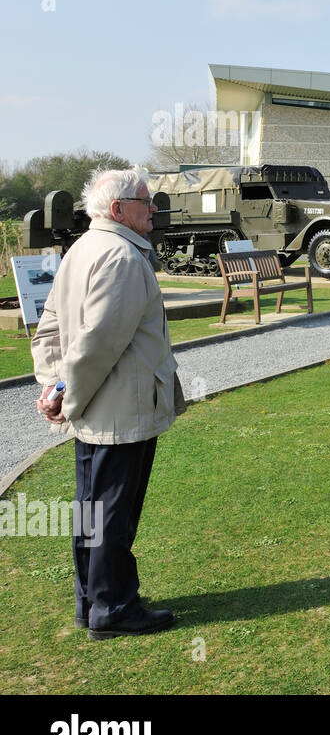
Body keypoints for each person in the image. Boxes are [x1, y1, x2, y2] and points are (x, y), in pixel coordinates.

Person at [31, 168, 186, 639]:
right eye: (146, 200)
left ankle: (92, 599)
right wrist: (66, 396)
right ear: (118, 209)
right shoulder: (121, 256)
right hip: (122, 410)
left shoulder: (82, 249)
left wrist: (55, 390)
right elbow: (97, 343)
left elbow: (51, 328)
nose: (154, 207)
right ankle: (113, 608)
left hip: (98, 408)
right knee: (113, 512)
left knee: (91, 510)